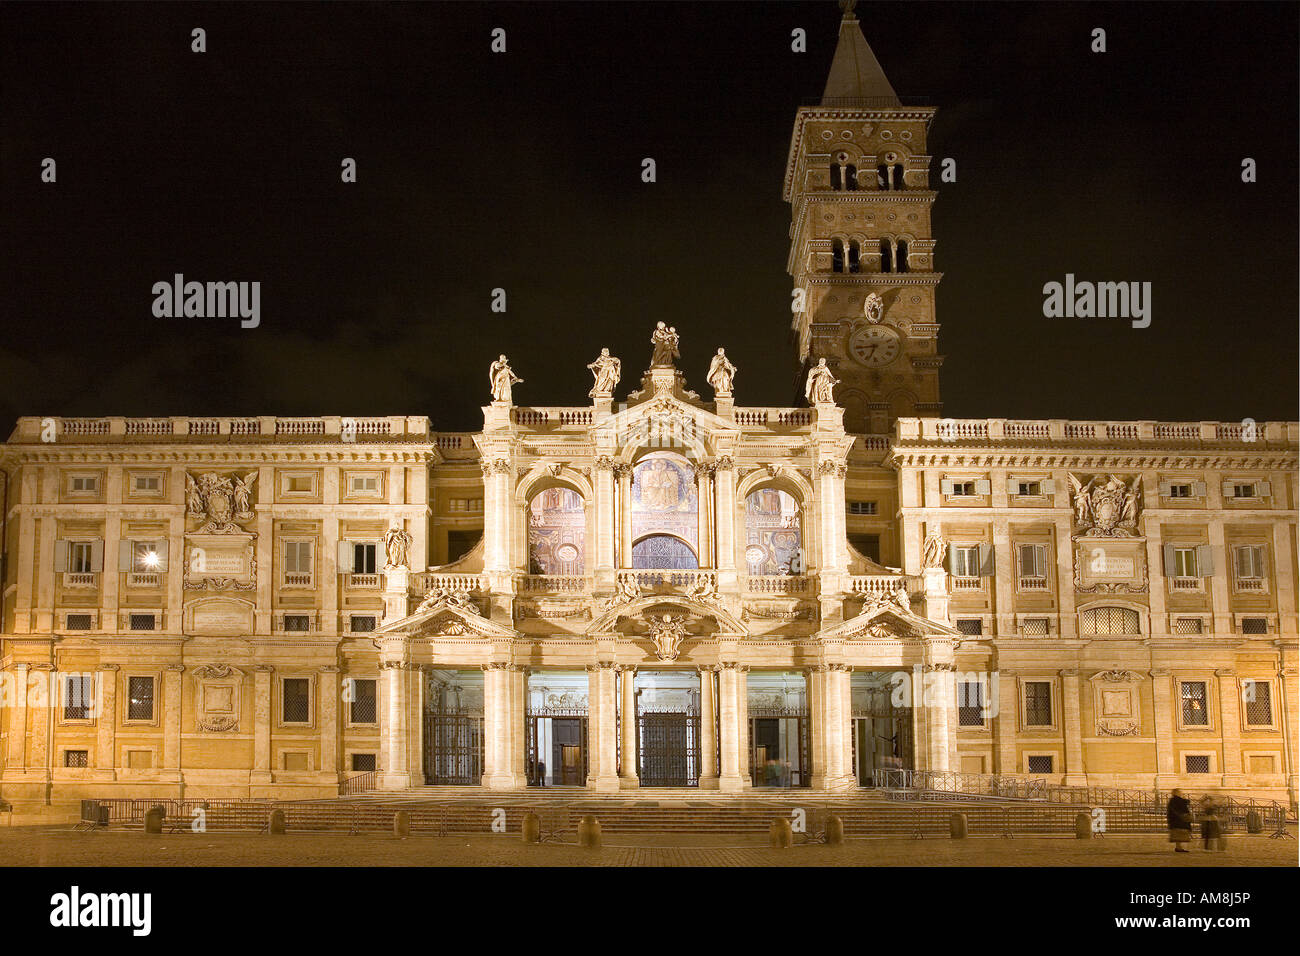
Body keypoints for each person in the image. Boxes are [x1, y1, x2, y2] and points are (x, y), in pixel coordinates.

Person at [1167, 789, 1193, 853]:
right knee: (1180, 833)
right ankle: (1179, 847)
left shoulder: (1172, 800)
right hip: (1180, 820)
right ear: (1177, 793)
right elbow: (1186, 803)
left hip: (1175, 820)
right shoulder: (1177, 800)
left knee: (1177, 834)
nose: (1181, 793)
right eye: (1180, 792)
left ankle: (1179, 847)